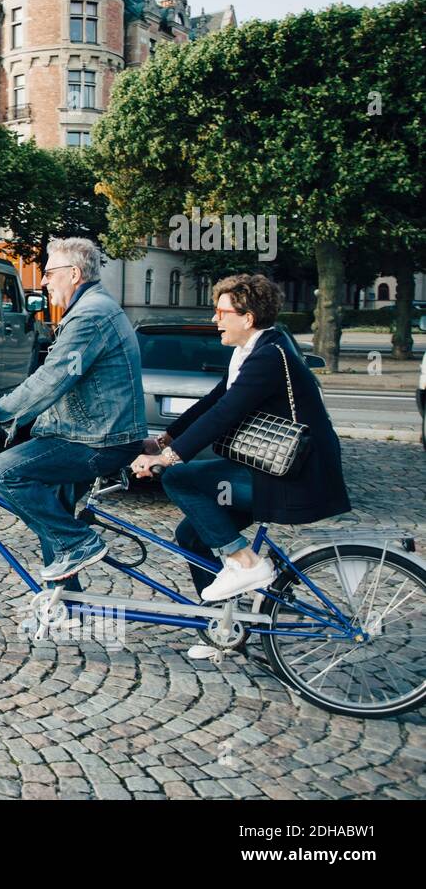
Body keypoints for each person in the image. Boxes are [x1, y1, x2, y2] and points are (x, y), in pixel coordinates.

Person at [130, 274, 350, 658]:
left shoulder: (269, 357)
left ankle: (244, 562)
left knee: (180, 477)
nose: (215, 320)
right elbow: (214, 402)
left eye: (222, 312)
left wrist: (166, 459)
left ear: (247, 317)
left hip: (290, 477)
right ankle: (221, 629)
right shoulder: (253, 349)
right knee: (194, 536)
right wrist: (162, 439)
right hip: (271, 468)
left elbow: (225, 415)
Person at [0, 238, 147, 587]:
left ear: (74, 274)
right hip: (94, 432)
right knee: (54, 513)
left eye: (49, 273)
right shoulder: (94, 307)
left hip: (99, 439)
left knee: (5, 470)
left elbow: (53, 378)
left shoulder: (91, 315)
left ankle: (79, 541)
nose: (44, 282)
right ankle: (65, 599)